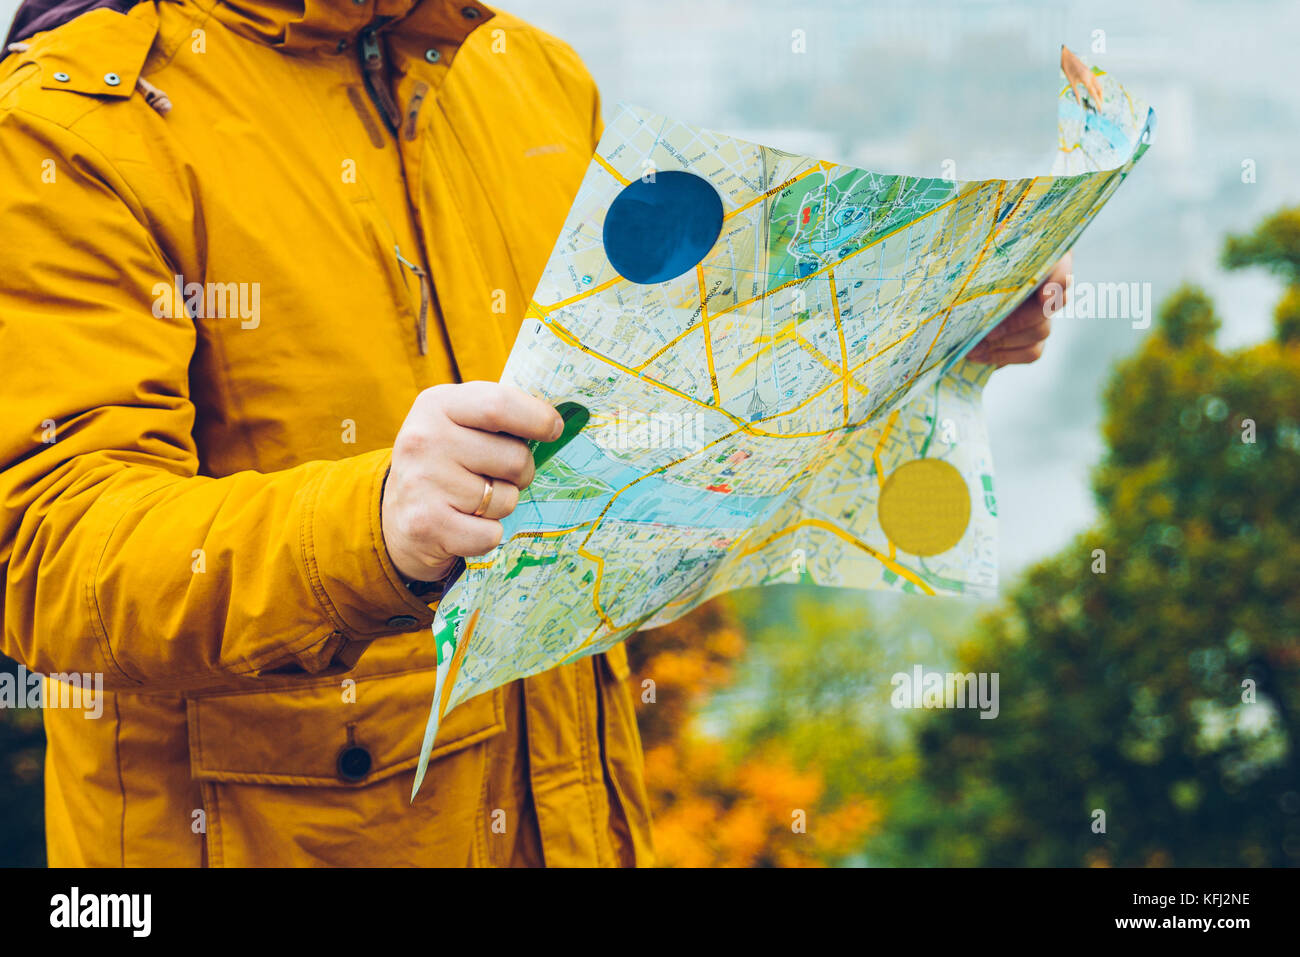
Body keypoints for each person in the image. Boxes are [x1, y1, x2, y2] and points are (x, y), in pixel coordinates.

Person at [0, 0, 1063, 867]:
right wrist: (369, 525)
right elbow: (44, 548)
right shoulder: (72, 126)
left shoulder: (528, 78)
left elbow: (672, 405)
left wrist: (926, 332)